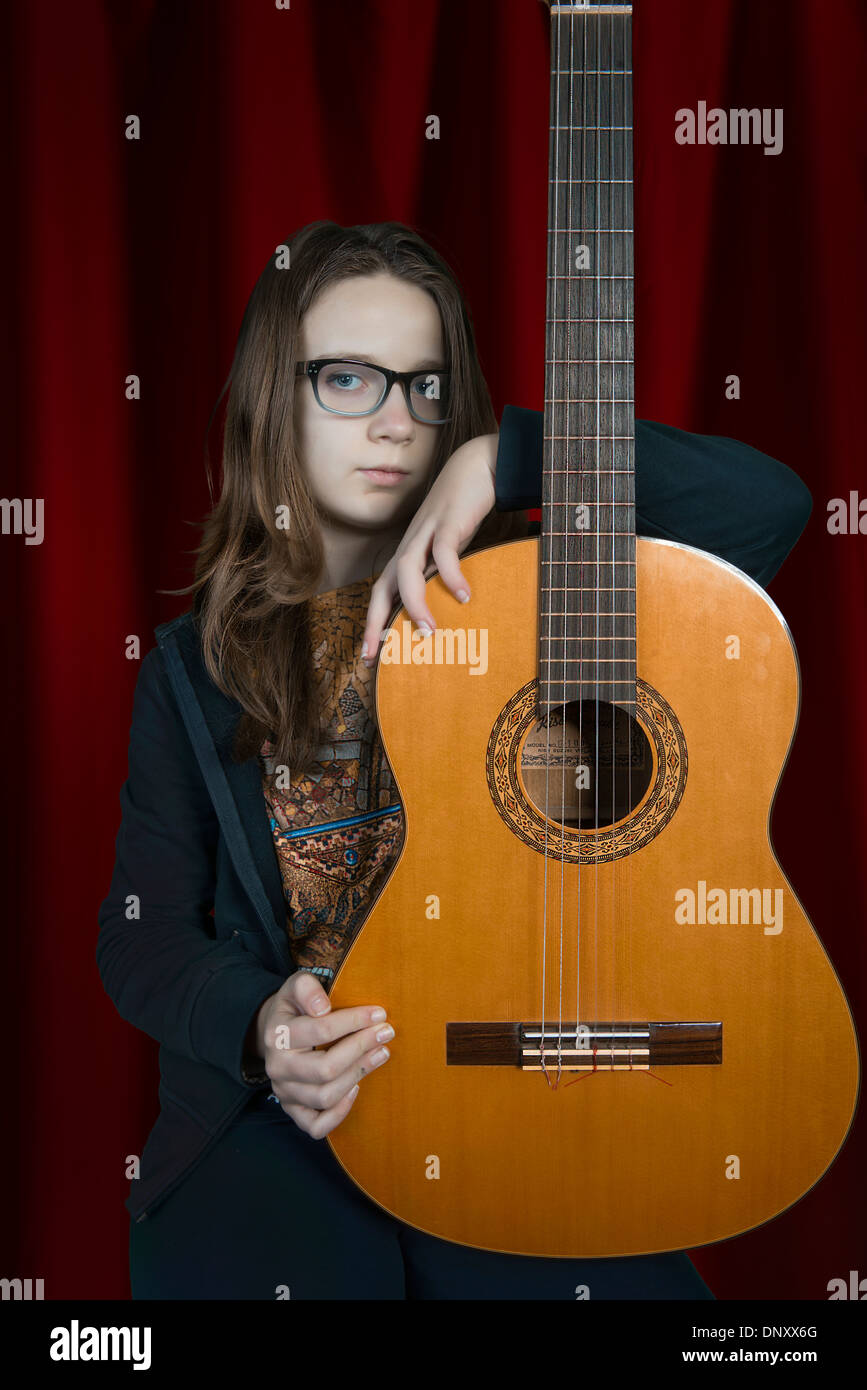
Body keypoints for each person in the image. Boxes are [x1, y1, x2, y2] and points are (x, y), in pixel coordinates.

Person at [96, 220, 812, 1300]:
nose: (397, 421)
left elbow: (770, 506)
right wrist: (259, 1024)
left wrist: (510, 454)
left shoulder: (544, 595)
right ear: (269, 399)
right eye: (349, 379)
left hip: (525, 1084)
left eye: (428, 388)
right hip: (293, 1117)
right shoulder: (195, 667)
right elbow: (139, 935)